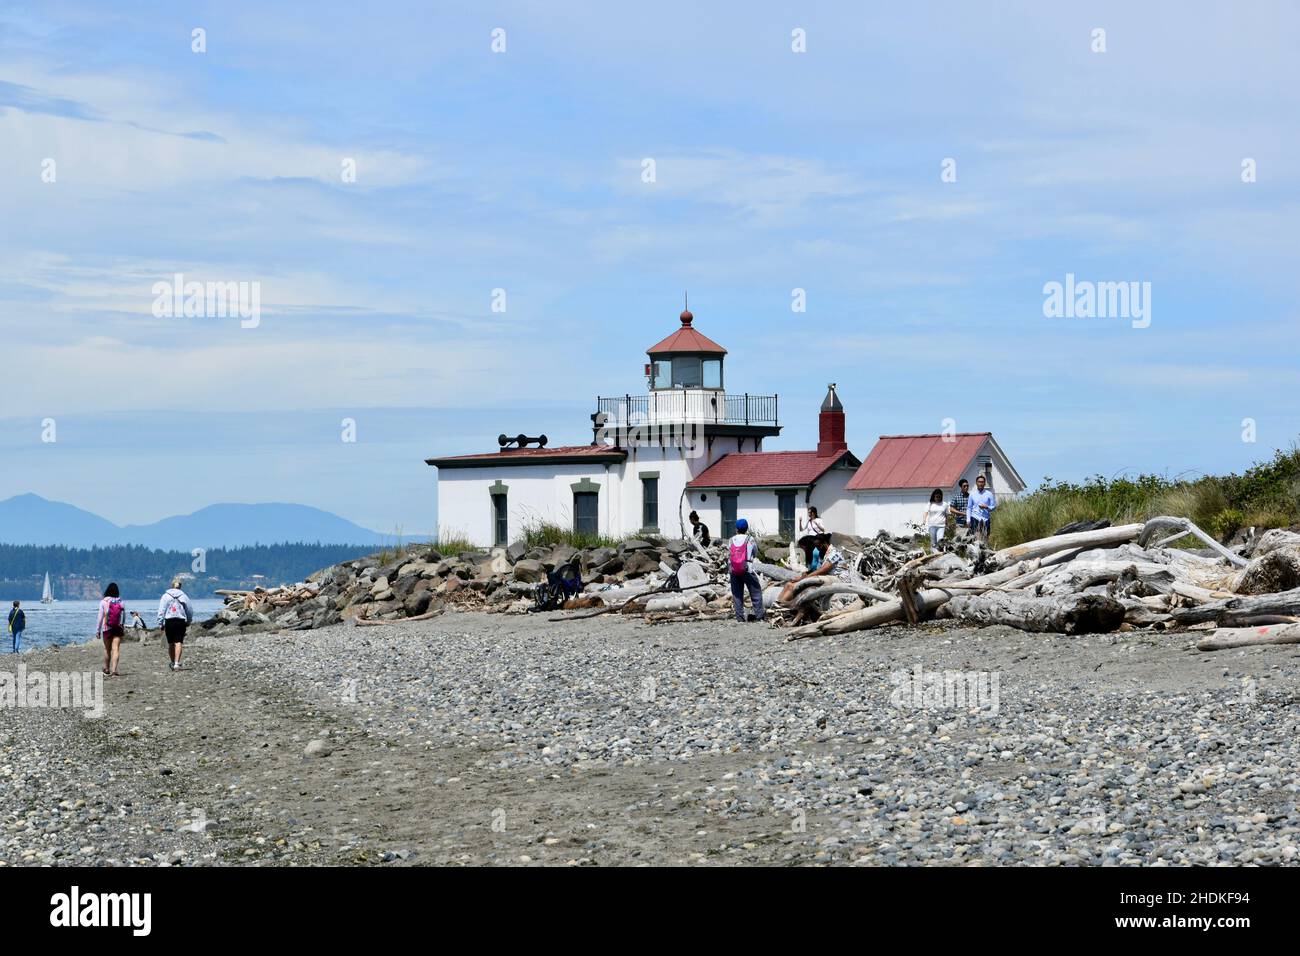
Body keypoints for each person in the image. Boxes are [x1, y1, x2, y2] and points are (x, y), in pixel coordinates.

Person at [727, 518, 764, 623]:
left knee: (737, 593)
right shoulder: (750, 539)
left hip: (734, 570)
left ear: (736, 529)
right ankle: (759, 615)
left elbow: (729, 553)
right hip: (747, 568)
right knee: (755, 591)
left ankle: (739, 616)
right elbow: (755, 552)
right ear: (746, 528)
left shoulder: (731, 540)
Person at [157, 579, 194, 671]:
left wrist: (160, 623)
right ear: (180, 587)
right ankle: (177, 663)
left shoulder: (165, 596)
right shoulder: (184, 596)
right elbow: (189, 610)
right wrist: (189, 621)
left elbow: (161, 611)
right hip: (180, 621)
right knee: (179, 642)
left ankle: (173, 662)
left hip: (169, 621)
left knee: (171, 643)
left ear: (171, 586)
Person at [96, 583, 126, 677]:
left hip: (107, 628)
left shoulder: (103, 602)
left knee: (107, 649)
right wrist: (122, 625)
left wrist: (98, 630)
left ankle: (106, 669)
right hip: (117, 628)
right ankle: (114, 670)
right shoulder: (120, 601)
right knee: (116, 649)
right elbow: (123, 615)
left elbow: (100, 618)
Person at [967, 474, 996, 542]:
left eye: (982, 482)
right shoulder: (972, 494)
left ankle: (985, 549)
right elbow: (969, 508)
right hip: (975, 517)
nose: (981, 483)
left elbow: (993, 506)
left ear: (984, 483)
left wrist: (987, 507)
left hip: (985, 518)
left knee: (986, 536)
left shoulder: (989, 494)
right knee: (974, 537)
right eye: (979, 482)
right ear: (976, 483)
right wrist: (968, 520)